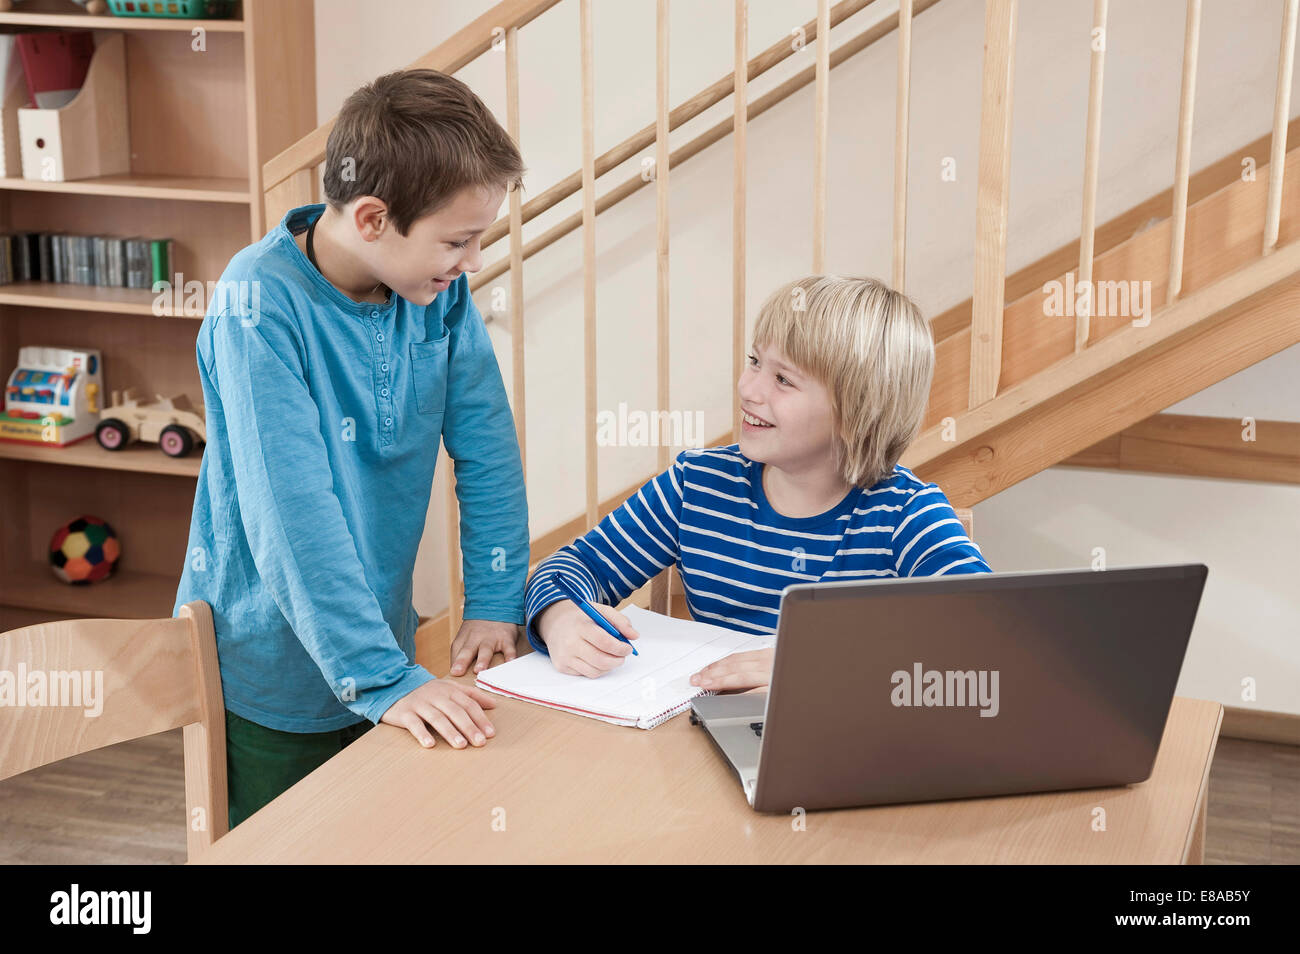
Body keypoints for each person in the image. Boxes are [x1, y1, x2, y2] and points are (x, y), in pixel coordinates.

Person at [174, 69, 529, 828]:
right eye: (457, 241)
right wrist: (379, 676)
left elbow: (488, 447)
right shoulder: (256, 305)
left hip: (384, 657)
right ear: (372, 219)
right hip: (269, 674)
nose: (469, 262)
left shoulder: (438, 295)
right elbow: (291, 512)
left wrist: (496, 599)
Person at [524, 275, 991, 692]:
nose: (749, 388)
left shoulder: (903, 514)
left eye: (783, 379)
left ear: (856, 413)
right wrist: (559, 617)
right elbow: (567, 569)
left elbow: (988, 633)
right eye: (754, 361)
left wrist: (819, 667)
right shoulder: (697, 486)